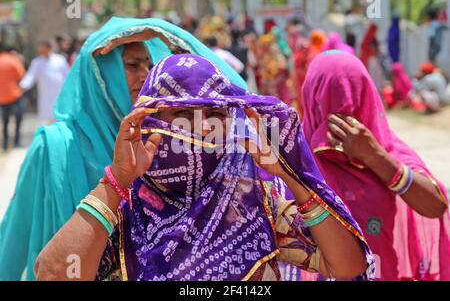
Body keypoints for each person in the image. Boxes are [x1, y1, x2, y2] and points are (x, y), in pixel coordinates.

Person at [34, 54, 375, 281]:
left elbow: (346, 267)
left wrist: (292, 177)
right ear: (151, 124)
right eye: (182, 117)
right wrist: (117, 180)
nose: (201, 130)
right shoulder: (123, 212)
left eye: (214, 116)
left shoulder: (257, 199)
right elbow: (53, 276)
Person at [0, 17, 247, 281]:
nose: (145, 74)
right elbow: (15, 240)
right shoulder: (55, 146)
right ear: (101, 74)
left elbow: (231, 89)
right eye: (131, 65)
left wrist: (169, 35)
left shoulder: (164, 142)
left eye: (149, 64)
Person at [302, 50, 449, 281]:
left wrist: (374, 156)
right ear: (312, 101)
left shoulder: (384, 148)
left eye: (353, 105)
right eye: (330, 104)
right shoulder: (294, 158)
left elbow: (436, 206)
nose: (343, 119)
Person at [19, 40, 70, 122]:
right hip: (45, 94)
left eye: (43, 48)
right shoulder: (37, 62)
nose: (41, 51)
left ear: (49, 48)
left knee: (60, 117)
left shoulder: (60, 59)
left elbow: (67, 74)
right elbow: (31, 76)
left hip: (59, 93)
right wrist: (23, 85)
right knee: (46, 120)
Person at [0, 45, 26, 151]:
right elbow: (22, 75)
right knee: (18, 118)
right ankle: (16, 142)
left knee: (5, 121)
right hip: (14, 95)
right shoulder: (14, 61)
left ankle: (5, 144)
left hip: (1, 96)